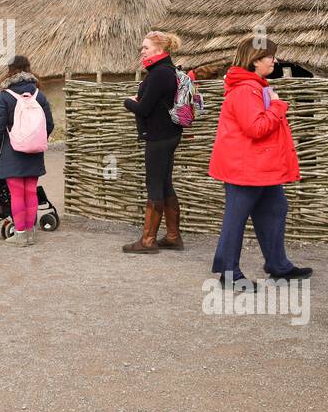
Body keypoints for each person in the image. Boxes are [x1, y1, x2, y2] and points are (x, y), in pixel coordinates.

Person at [208, 36, 311, 289]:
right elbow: (256, 128)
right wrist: (277, 107)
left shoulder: (254, 86)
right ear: (255, 61)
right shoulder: (245, 90)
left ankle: (278, 266)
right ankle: (229, 274)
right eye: (270, 56)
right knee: (236, 219)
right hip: (246, 168)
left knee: (276, 208)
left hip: (261, 167)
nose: (274, 60)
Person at [121, 31, 185, 254]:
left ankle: (148, 241)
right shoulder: (169, 71)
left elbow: (144, 108)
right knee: (165, 182)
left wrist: (128, 102)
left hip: (159, 136)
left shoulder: (159, 74)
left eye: (146, 47)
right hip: (170, 134)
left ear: (160, 49)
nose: (142, 51)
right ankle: (173, 237)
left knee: (154, 184)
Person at [0, 55, 53, 247]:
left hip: (12, 152)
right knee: (31, 192)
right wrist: (36, 139)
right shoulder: (38, 95)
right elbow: (49, 124)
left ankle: (20, 235)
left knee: (17, 194)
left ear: (9, 70)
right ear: (28, 68)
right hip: (34, 152)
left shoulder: (5, 96)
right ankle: (31, 234)